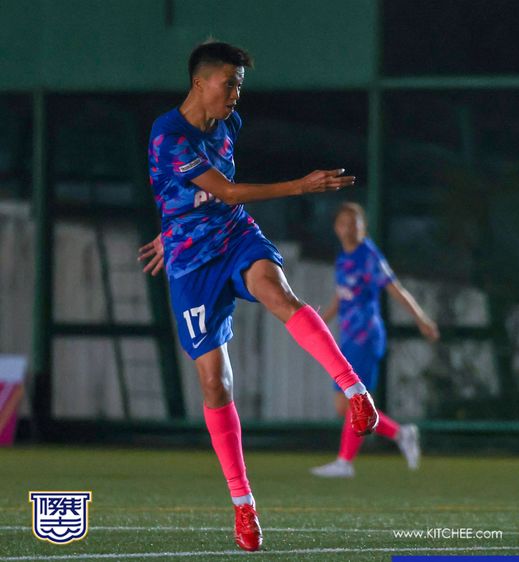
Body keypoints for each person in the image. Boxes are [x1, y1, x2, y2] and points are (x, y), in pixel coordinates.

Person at [138, 41, 379, 552]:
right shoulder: (168, 134)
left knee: (277, 292)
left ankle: (356, 394)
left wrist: (173, 218)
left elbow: (209, 201)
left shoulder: (229, 126)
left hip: (233, 237)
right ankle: (243, 504)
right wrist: (299, 185)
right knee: (215, 384)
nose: (236, 95)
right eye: (229, 84)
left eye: (240, 86)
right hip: (191, 265)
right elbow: (221, 189)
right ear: (199, 82)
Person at [310, 202, 438, 478]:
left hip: (366, 336)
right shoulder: (343, 258)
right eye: (345, 222)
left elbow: (396, 289)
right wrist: (318, 321)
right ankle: (401, 433)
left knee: (353, 402)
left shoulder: (369, 255)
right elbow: (340, 296)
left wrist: (421, 319)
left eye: (355, 222)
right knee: (344, 406)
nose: (350, 227)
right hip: (348, 337)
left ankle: (345, 462)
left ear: (363, 227)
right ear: (336, 227)